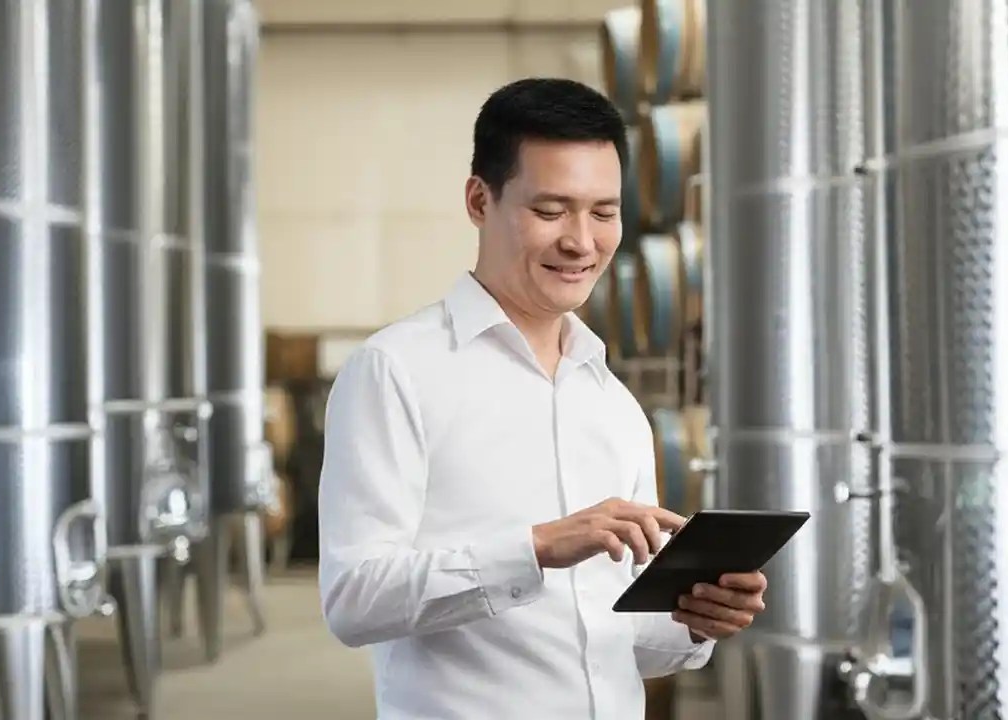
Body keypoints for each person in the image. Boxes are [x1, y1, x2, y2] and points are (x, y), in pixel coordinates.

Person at [317, 78, 769, 719]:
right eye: (551, 210)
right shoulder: (395, 372)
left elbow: (613, 640)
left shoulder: (612, 402)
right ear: (480, 199)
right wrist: (535, 549)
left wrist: (693, 619)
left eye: (604, 212)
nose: (582, 242)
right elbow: (354, 601)